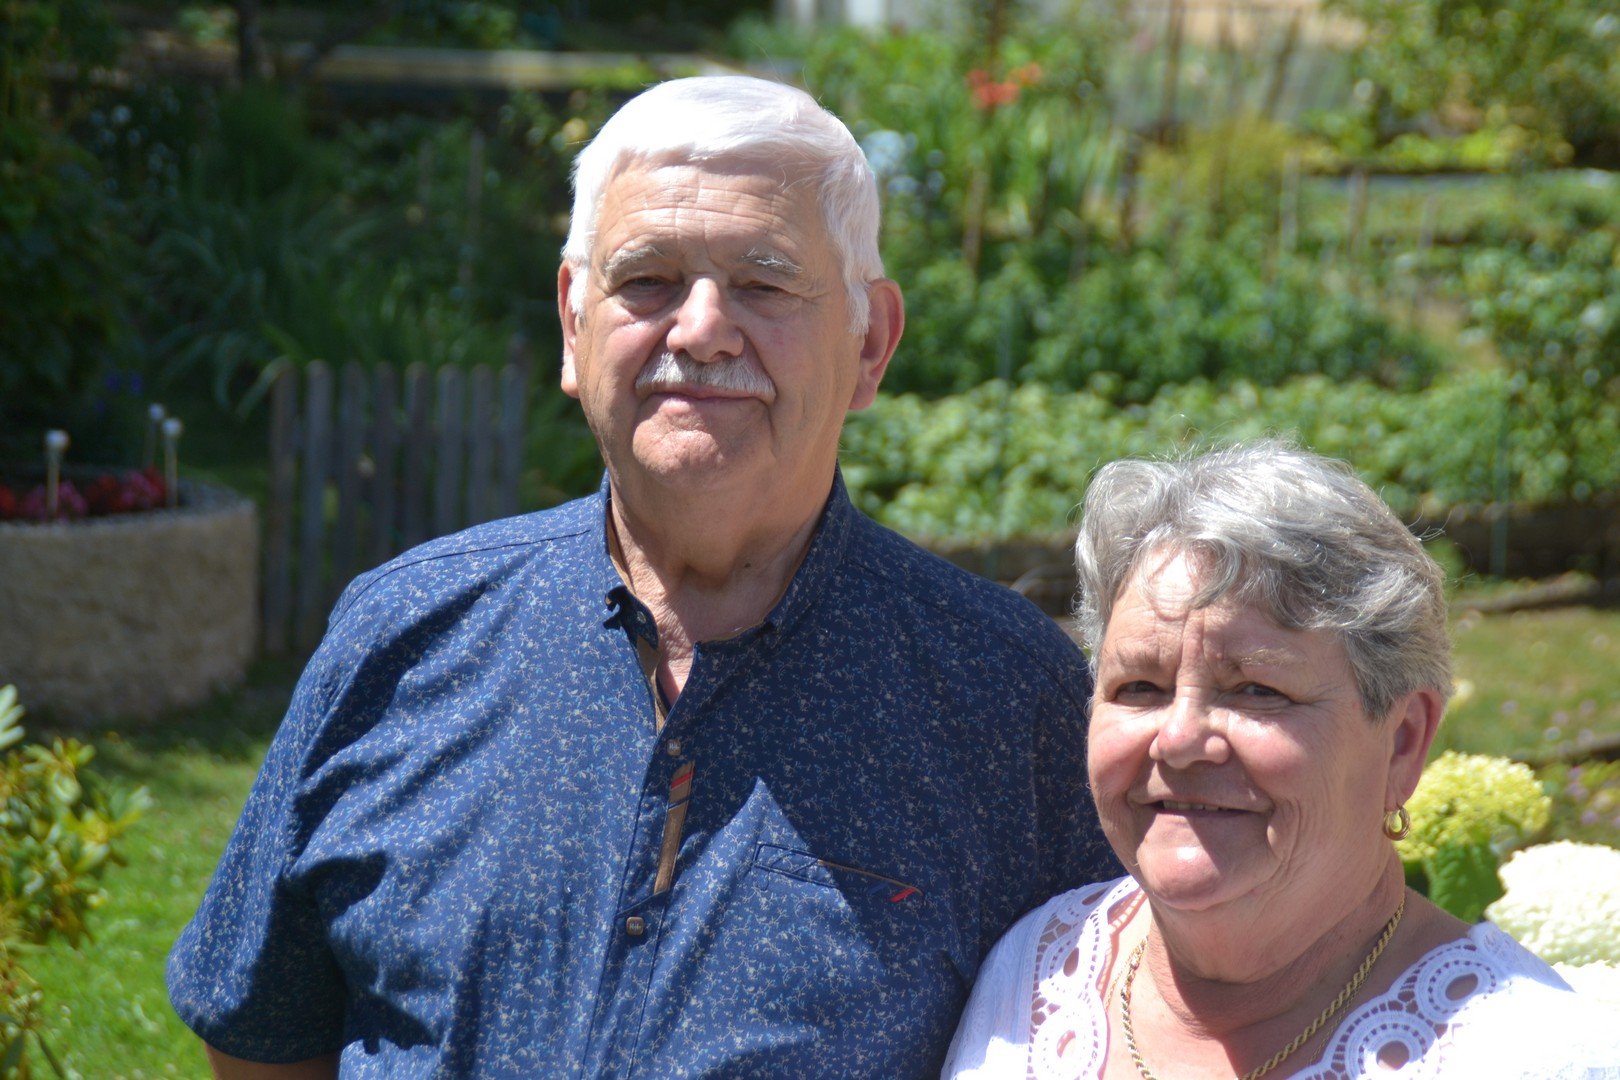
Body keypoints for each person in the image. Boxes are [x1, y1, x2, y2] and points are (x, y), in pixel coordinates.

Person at [167, 75, 1113, 1078]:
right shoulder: (402, 635)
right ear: (574, 321)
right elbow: (263, 1039)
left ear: (870, 342)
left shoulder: (1008, 701)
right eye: (648, 278)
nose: (701, 329)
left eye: (765, 282)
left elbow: (1122, 1028)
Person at [943, 442, 1620, 1079]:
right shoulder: (1036, 976)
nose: (1178, 739)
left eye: (1257, 690)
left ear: (1403, 742)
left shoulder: (1528, 1053)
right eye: (1139, 687)